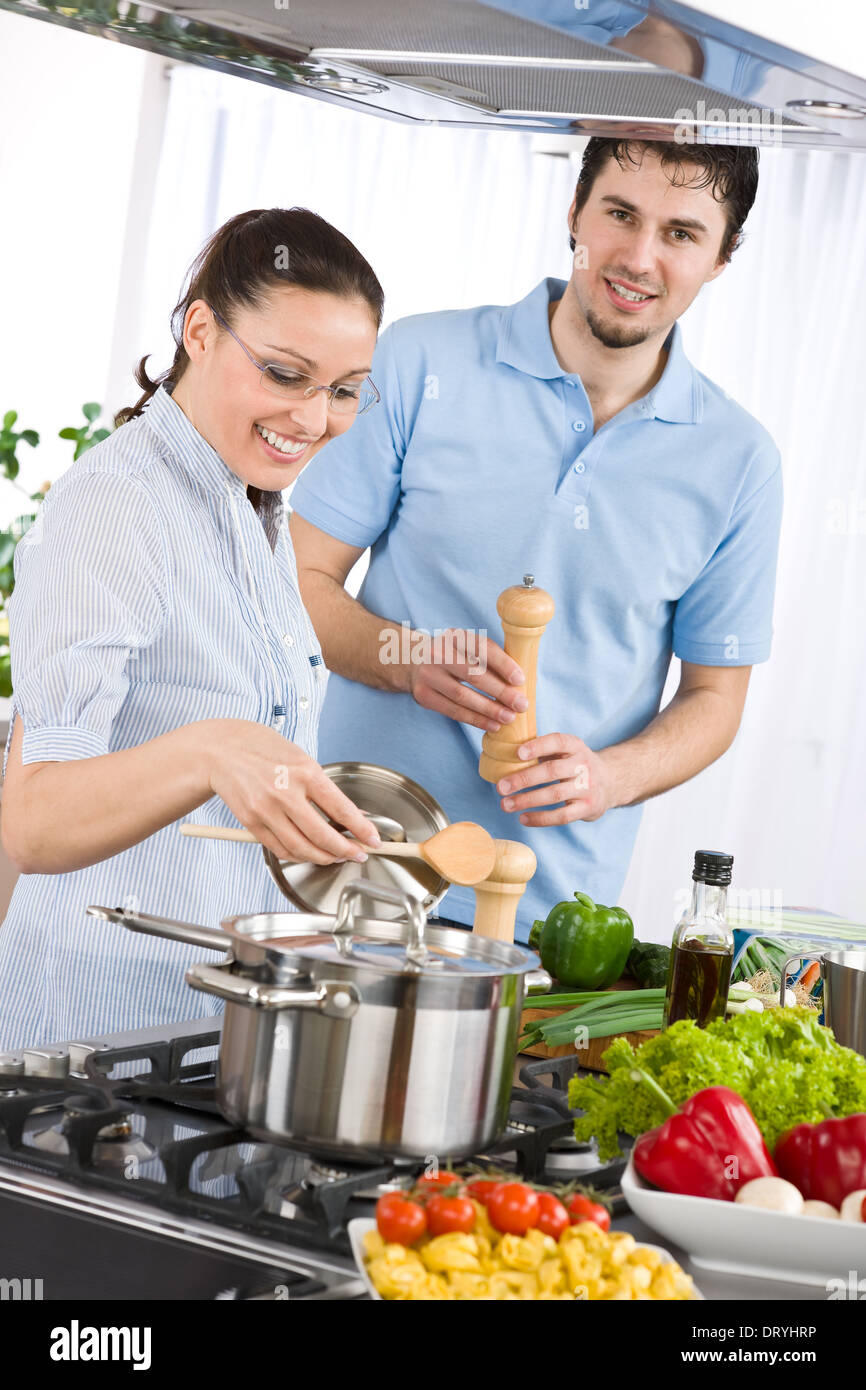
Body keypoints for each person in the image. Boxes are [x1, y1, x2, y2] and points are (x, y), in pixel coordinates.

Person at [289, 139, 783, 942]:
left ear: (722, 257)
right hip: (349, 871)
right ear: (574, 213)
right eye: (619, 215)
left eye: (682, 233)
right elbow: (298, 581)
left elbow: (715, 700)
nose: (638, 257)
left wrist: (610, 776)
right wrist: (405, 659)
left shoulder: (740, 461)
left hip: (551, 920)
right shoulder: (417, 361)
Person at [0, 207, 384, 1050]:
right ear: (201, 332)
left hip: (201, 1020)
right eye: (286, 374)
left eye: (346, 389)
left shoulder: (253, 509)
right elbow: (29, 819)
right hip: (87, 1029)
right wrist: (210, 749)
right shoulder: (120, 507)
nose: (315, 419)